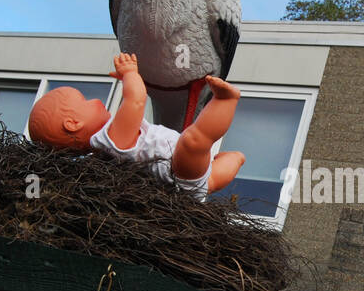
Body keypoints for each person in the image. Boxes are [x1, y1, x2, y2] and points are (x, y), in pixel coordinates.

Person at [27, 53, 244, 199]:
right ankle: (225, 101)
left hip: (187, 180)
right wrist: (130, 74)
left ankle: (236, 158)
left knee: (210, 180)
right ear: (73, 124)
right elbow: (136, 101)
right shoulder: (110, 139)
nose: (95, 100)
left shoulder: (104, 154)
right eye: (84, 100)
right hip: (179, 168)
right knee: (193, 141)